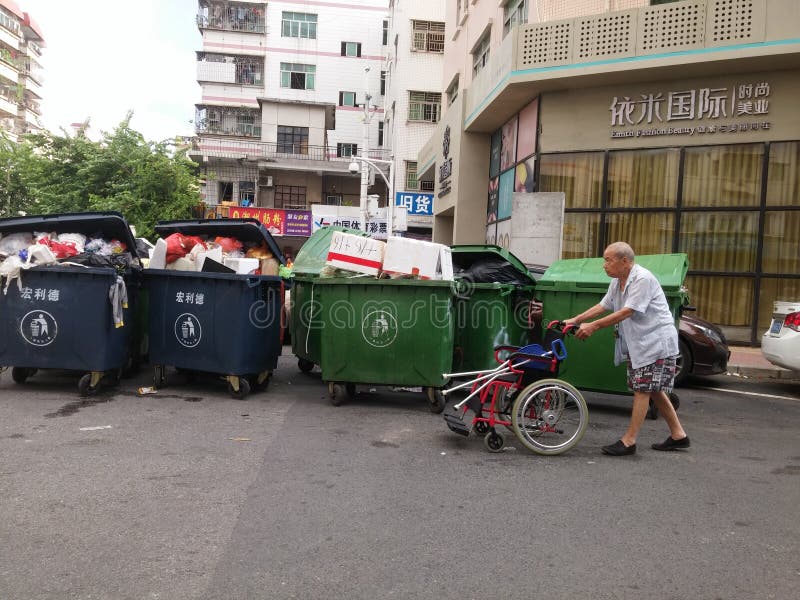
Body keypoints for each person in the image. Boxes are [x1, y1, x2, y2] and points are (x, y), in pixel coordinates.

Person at [564, 242, 690, 456]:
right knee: (653, 389)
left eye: (608, 260)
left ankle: (629, 441)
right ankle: (679, 435)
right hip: (641, 342)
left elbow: (627, 311)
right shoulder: (618, 281)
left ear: (625, 261)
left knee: (642, 389)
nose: (604, 265)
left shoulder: (642, 279)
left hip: (655, 342)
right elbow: (604, 305)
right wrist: (575, 319)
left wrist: (594, 326)